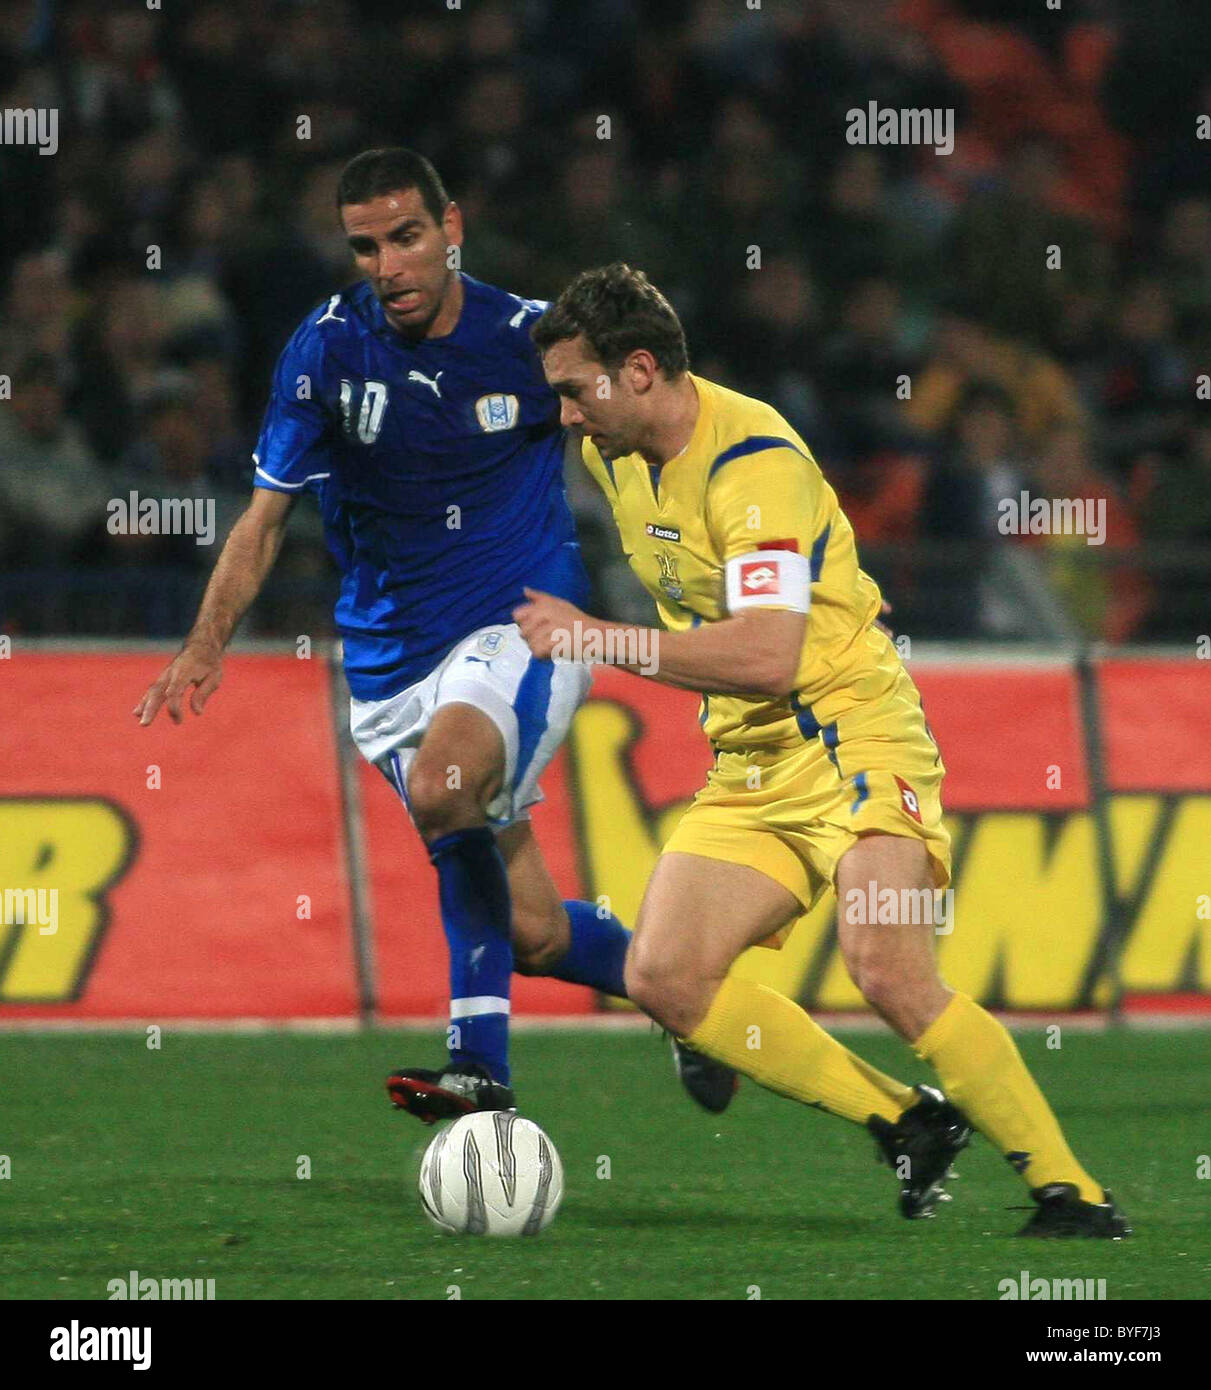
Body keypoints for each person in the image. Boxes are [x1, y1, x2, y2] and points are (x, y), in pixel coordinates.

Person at [517, 263, 1129, 1236]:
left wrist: (596, 635)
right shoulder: (613, 451)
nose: (563, 419)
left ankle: (1072, 1194)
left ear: (638, 371)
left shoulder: (751, 461)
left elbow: (765, 654)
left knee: (885, 966)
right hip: (750, 763)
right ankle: (903, 1122)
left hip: (853, 737)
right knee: (662, 978)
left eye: (572, 392)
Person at [133, 151, 732, 1124]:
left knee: (444, 787)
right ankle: (680, 989)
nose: (387, 263)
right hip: (388, 667)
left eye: (406, 236)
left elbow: (659, 425)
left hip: (522, 626)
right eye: (365, 245)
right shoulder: (324, 351)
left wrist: (726, 564)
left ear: (451, 228)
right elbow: (262, 518)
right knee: (533, 929)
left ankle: (478, 1068)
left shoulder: (529, 338)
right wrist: (206, 645)